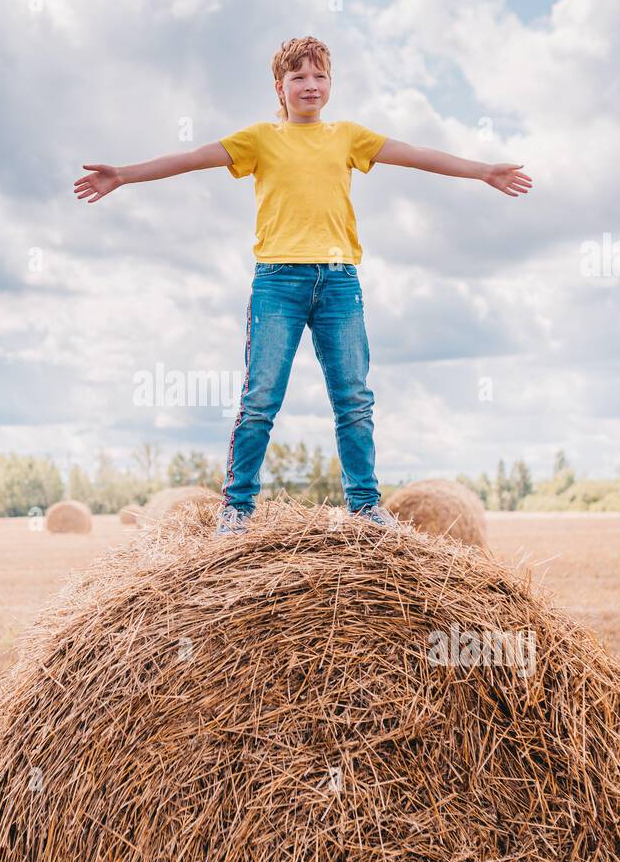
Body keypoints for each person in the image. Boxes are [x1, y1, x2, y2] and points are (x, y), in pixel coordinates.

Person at [74, 35, 532, 536]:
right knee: (260, 399)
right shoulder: (258, 139)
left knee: (354, 399)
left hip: (340, 284)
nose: (309, 85)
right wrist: (124, 175)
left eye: (318, 76)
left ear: (330, 85)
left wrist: (483, 170)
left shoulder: (349, 137)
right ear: (280, 87)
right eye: (298, 77)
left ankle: (364, 505)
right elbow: (190, 158)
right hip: (278, 283)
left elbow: (417, 154)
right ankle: (237, 508)